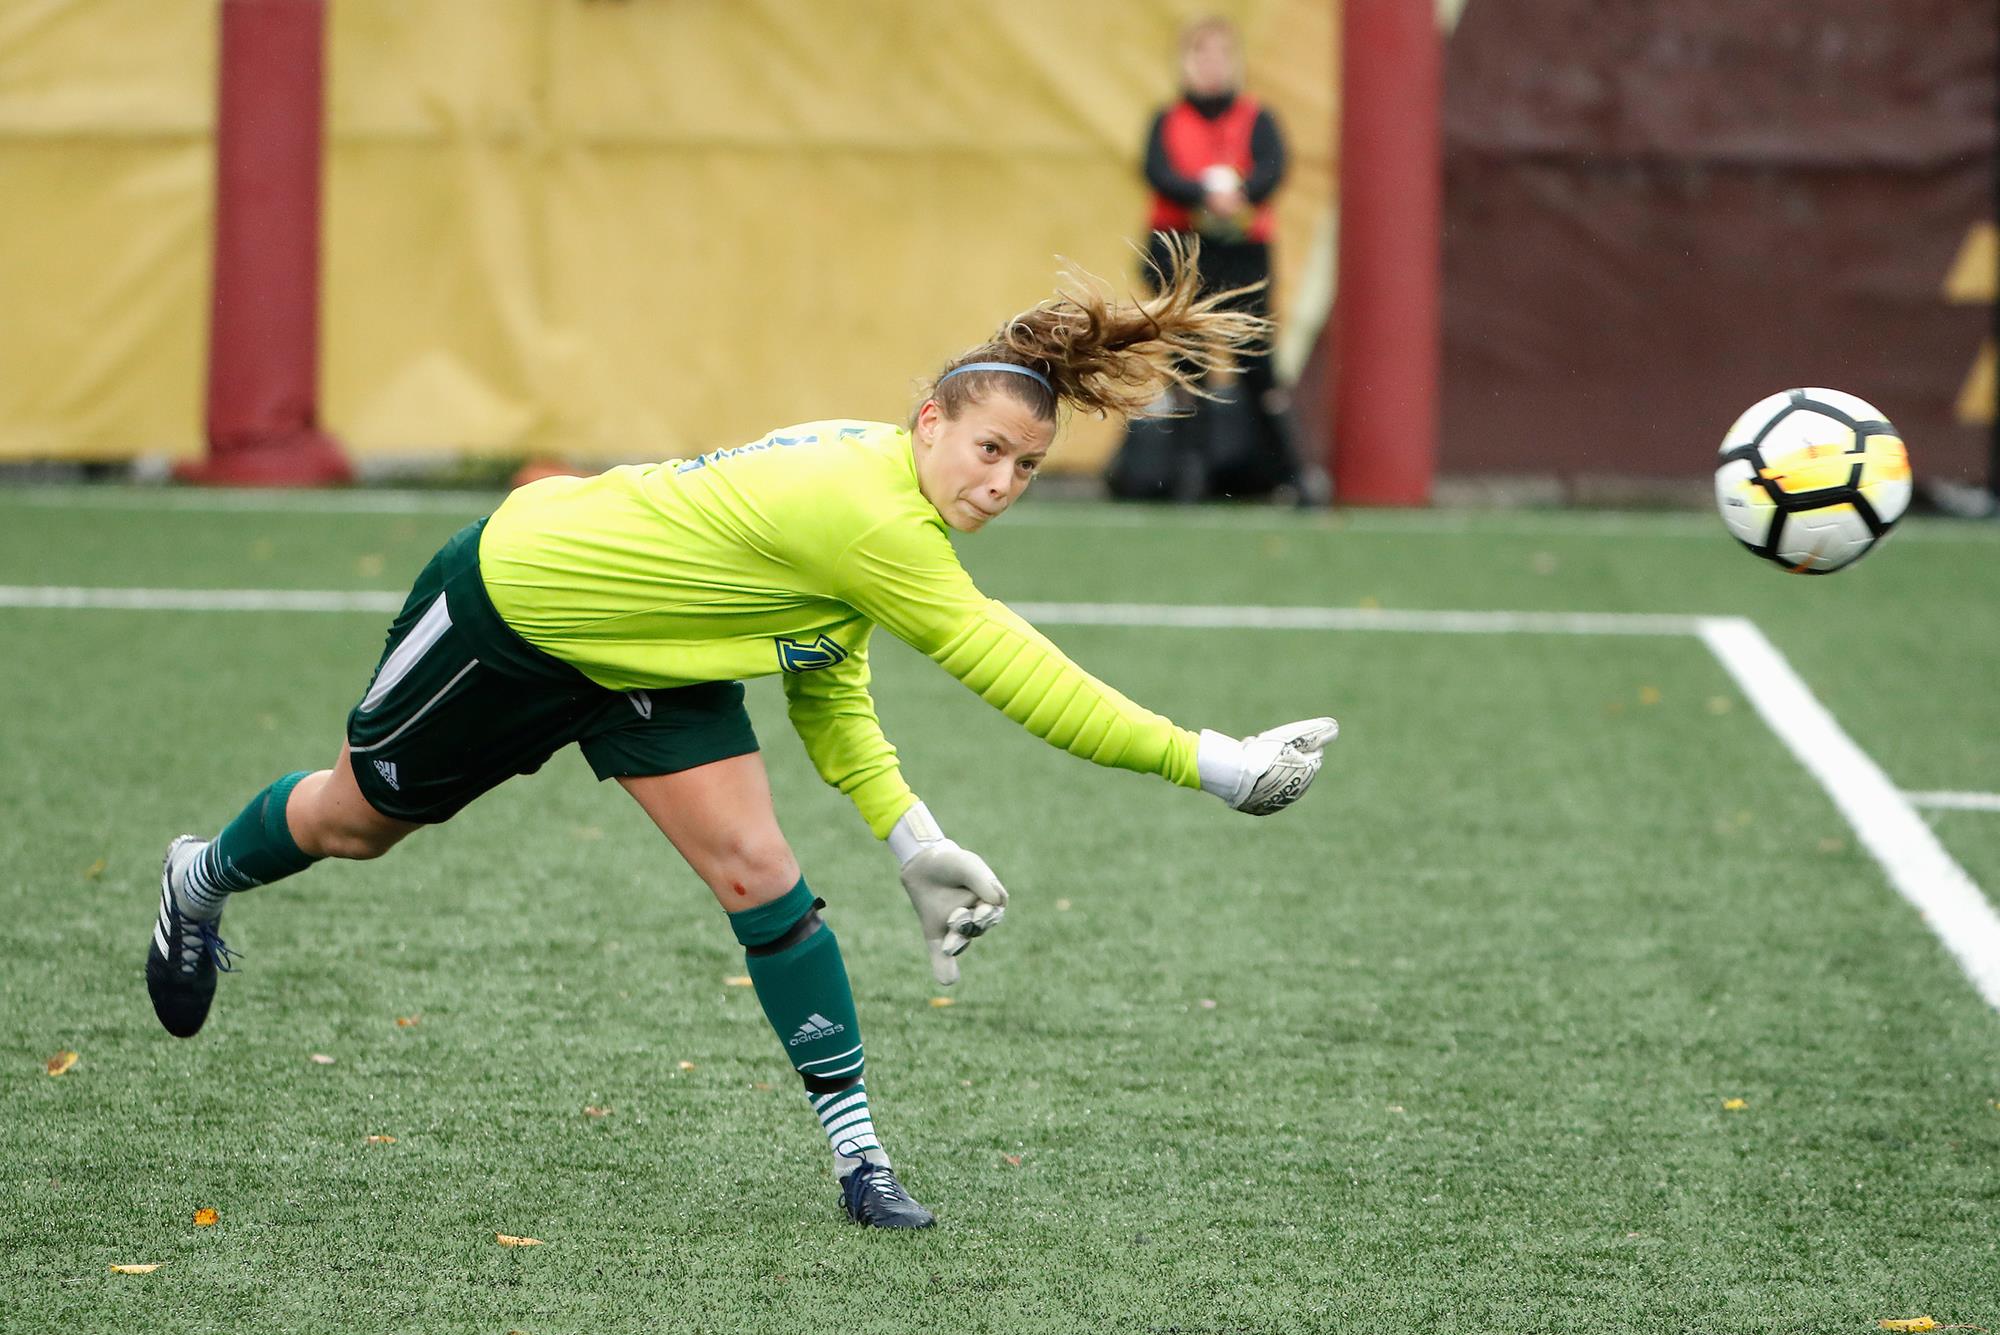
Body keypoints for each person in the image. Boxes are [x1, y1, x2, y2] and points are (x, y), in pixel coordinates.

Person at [143, 238, 1340, 1230]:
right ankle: (198, 878)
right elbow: (1019, 675)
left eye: (1026, 467)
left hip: (659, 662)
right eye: (987, 451)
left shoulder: (884, 496)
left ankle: (859, 1156)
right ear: (928, 421)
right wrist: (1214, 761)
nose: (1001, 482)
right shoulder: (870, 519)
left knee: (762, 873)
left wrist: (907, 836)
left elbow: (826, 680)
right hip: (519, 606)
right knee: (353, 824)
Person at [1115, 15, 1310, 503]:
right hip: (1184, 253)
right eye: (1201, 56)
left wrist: (1241, 194)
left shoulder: (1256, 118)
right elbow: (1158, 172)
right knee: (1187, 364)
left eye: (1221, 56)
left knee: (1255, 365)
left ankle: (1288, 476)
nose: (1211, 67)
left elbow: (1273, 169)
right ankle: (1188, 477)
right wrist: (1203, 191)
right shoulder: (1168, 120)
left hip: (1241, 258)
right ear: (1185, 64)